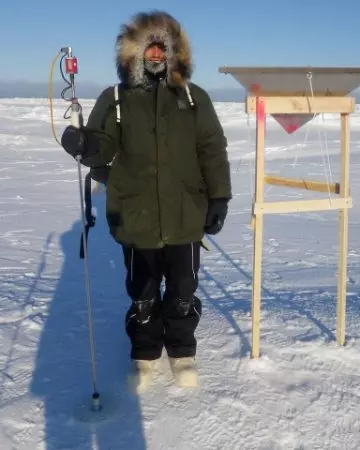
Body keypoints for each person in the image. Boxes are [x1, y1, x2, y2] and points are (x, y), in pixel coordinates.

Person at [60, 10, 232, 391]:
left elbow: (212, 149)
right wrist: (85, 143)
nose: (155, 55)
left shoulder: (192, 97)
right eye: (148, 48)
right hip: (136, 213)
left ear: (174, 53)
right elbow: (103, 147)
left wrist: (219, 196)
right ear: (133, 54)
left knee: (184, 288)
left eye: (162, 48)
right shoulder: (117, 98)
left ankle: (182, 352)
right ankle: (145, 354)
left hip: (186, 213)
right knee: (142, 291)